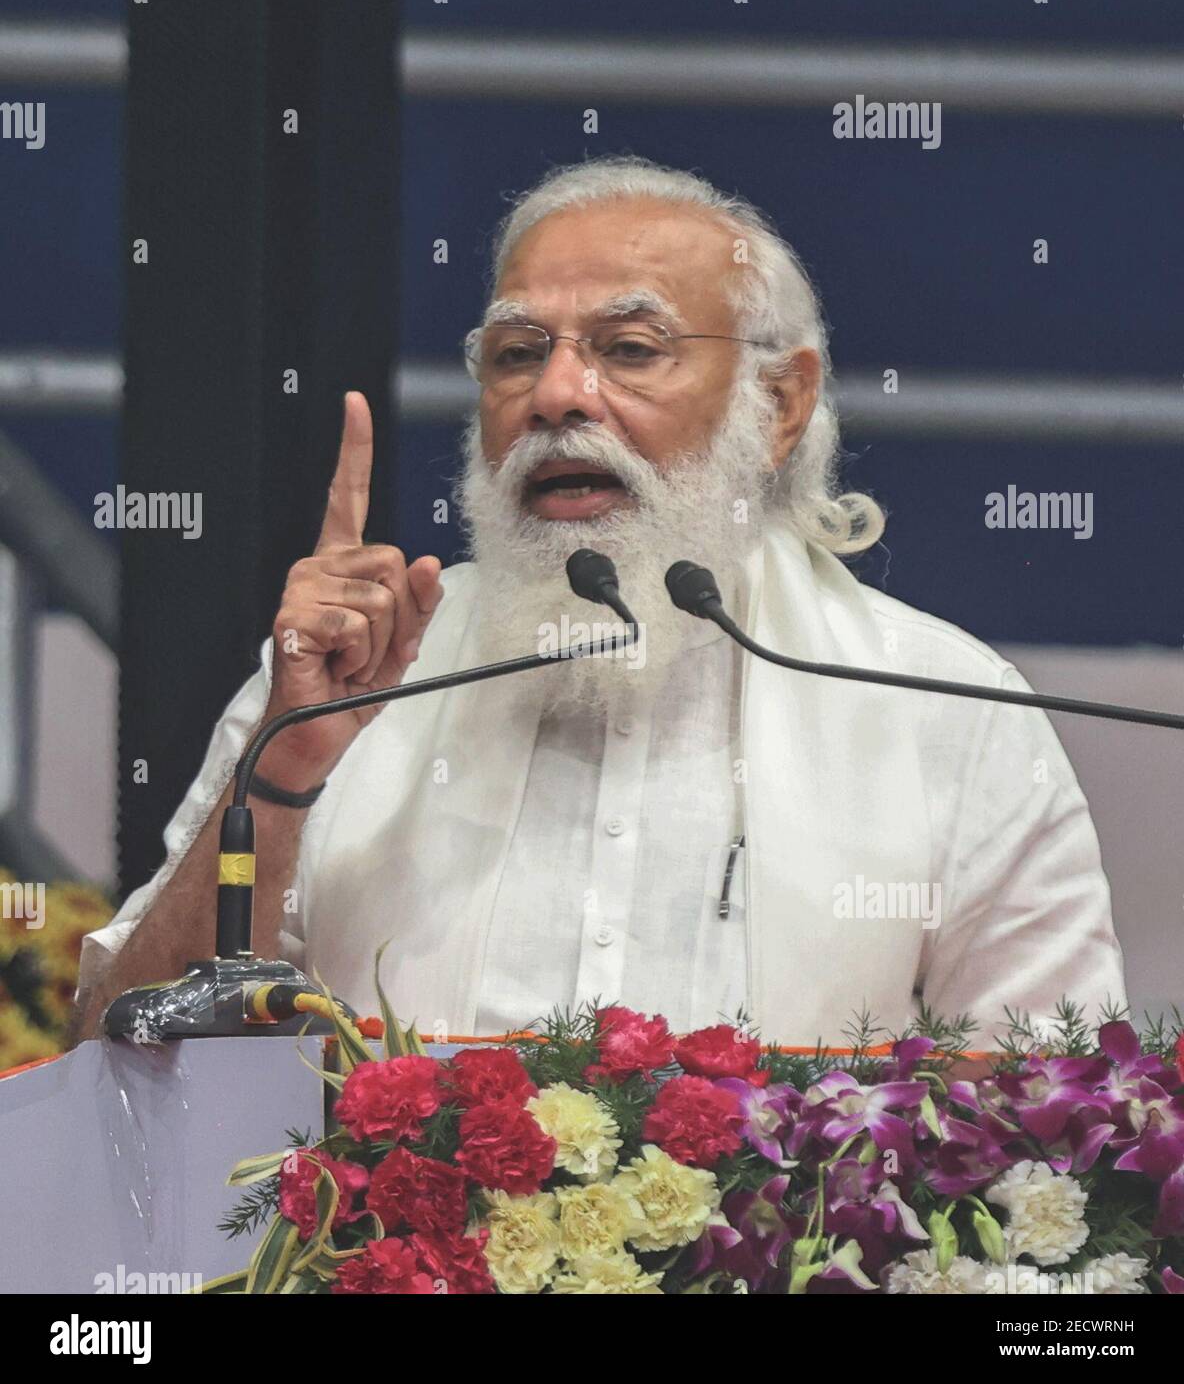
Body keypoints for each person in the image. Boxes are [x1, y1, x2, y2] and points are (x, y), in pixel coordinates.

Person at [73, 156, 1124, 1045]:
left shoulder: (942, 707)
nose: (556, 395)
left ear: (778, 403)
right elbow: (123, 1047)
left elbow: (1052, 1125)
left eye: (629, 349)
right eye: (518, 353)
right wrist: (285, 778)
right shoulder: (350, 682)